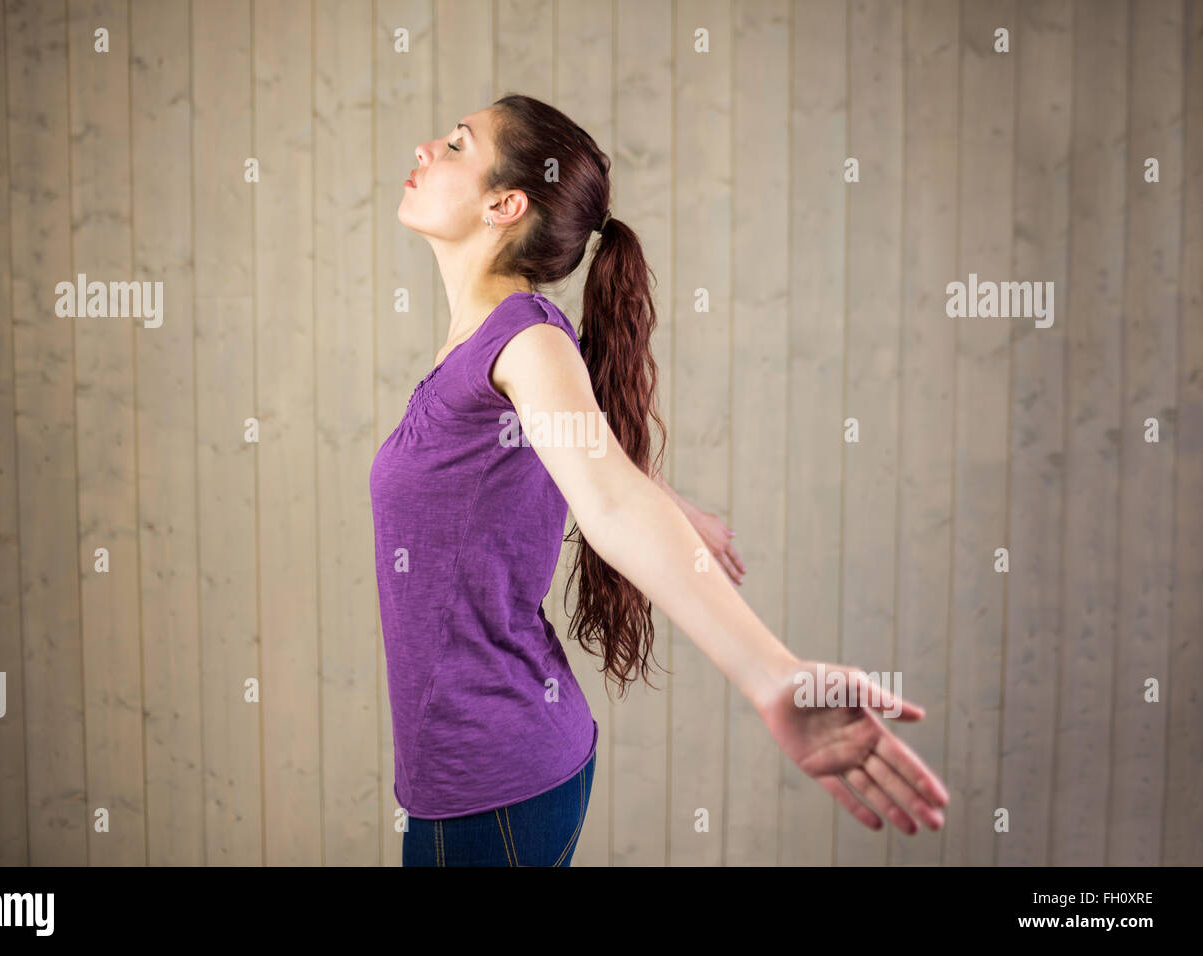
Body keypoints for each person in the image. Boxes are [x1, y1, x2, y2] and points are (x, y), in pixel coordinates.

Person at [372, 93, 949, 867]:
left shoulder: (526, 342)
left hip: (493, 781)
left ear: (504, 203)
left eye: (454, 144)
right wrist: (669, 502)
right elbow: (565, 458)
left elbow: (607, 498)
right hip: (470, 773)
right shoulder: (495, 344)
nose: (425, 148)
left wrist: (773, 676)